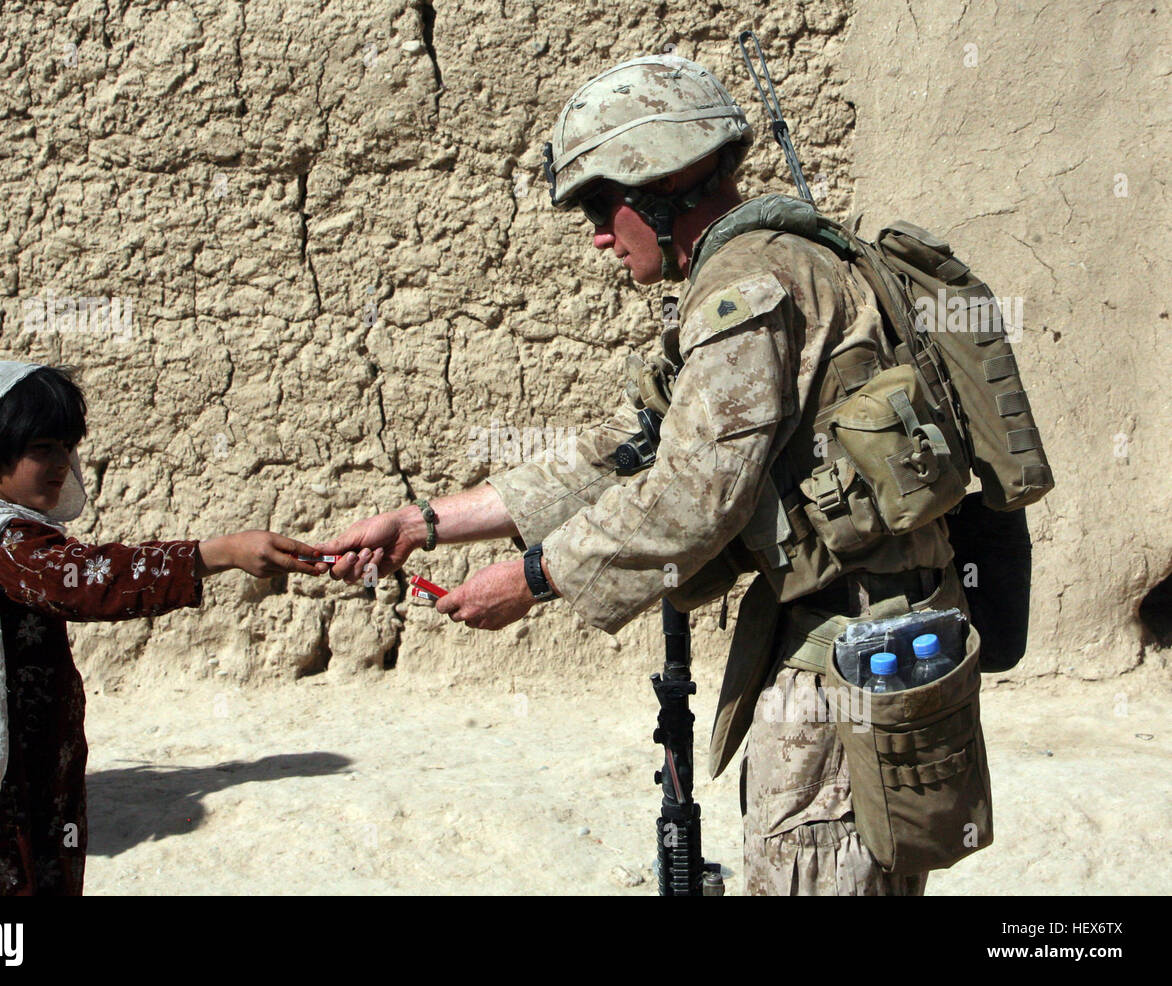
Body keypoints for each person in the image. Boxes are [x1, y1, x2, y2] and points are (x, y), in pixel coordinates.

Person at [318, 54, 985, 896]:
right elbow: (627, 450)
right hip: (850, 643)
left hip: (850, 663)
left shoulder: (749, 287)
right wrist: (425, 524)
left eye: (604, 204)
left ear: (663, 186)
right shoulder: (766, 267)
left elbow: (693, 497)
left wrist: (532, 579)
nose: (599, 234)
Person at [0, 361, 326, 895]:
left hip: (40, 762)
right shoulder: (4, 544)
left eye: (66, 448)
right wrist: (218, 553)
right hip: (15, 777)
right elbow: (92, 580)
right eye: (42, 449)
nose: (61, 465)